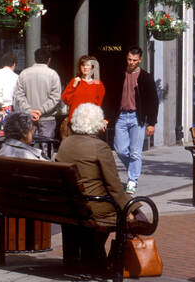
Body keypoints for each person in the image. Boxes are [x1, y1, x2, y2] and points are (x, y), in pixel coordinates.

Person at [55, 102, 154, 270]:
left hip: (70, 204)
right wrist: (130, 209)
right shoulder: (100, 147)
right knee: (135, 214)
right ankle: (104, 263)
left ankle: (90, 257)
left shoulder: (66, 144)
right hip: (93, 205)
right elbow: (114, 186)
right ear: (97, 124)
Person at [114, 46, 159, 194]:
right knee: (120, 149)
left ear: (140, 60)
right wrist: (108, 117)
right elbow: (111, 96)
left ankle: (132, 180)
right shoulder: (120, 74)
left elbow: (153, 101)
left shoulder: (145, 77)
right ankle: (134, 169)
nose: (131, 62)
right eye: (129, 59)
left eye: (134, 60)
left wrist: (152, 123)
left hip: (137, 118)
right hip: (121, 116)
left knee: (135, 153)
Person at [13, 47, 63, 148]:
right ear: (49, 60)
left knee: (27, 148)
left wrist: (29, 111)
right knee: (47, 149)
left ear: (35, 58)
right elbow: (55, 97)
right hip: (47, 117)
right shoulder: (53, 75)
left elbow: (19, 95)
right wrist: (40, 111)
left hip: (28, 117)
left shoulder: (23, 73)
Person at [60, 56, 105, 135]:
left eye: (88, 65)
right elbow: (66, 100)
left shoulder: (98, 84)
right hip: (75, 123)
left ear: (92, 67)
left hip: (91, 123)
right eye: (83, 65)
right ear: (80, 67)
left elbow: (99, 105)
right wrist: (73, 86)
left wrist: (101, 120)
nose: (85, 68)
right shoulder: (75, 81)